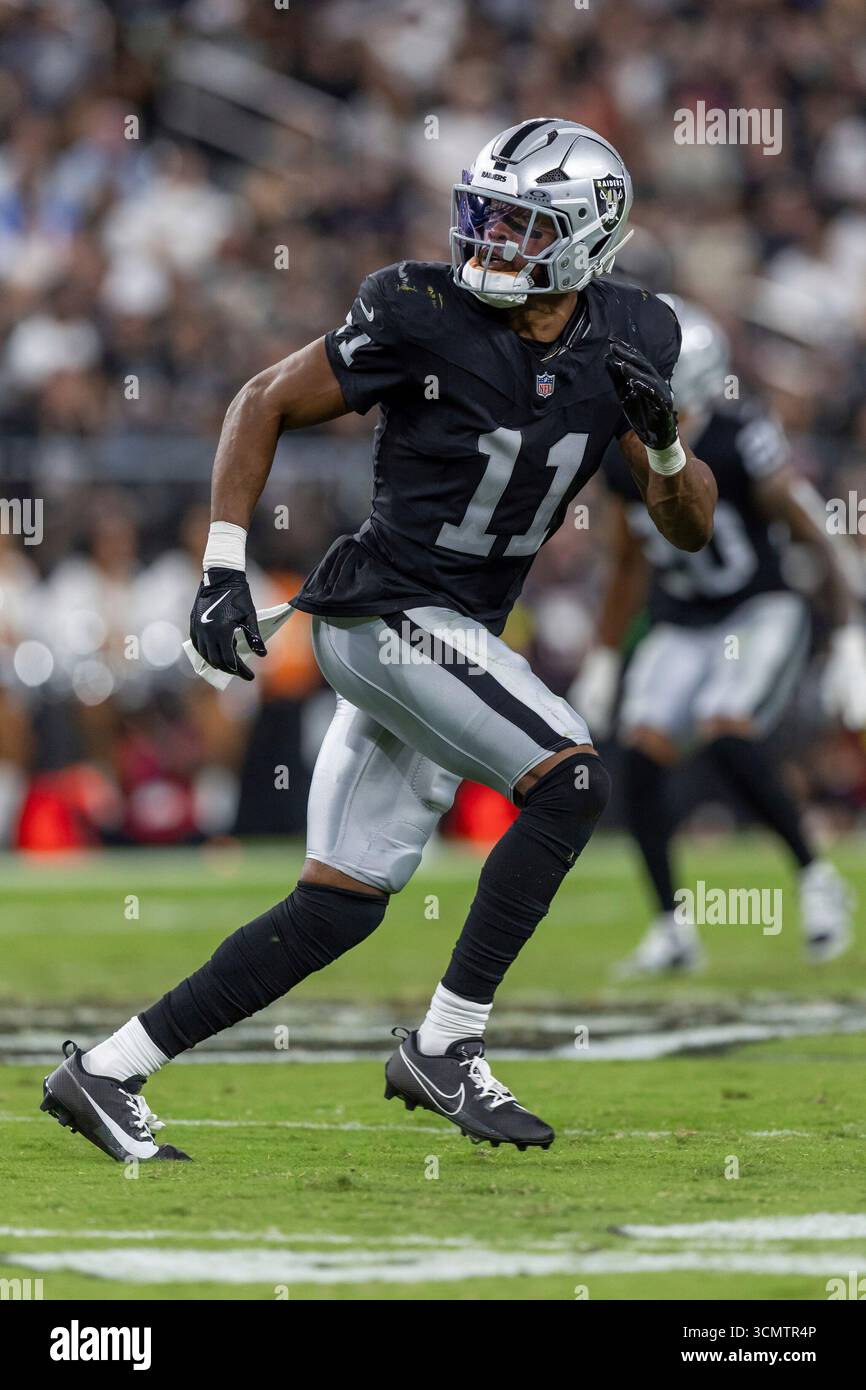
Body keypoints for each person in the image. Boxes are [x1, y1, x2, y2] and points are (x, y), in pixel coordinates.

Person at [42, 119, 716, 1161]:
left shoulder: (636, 333)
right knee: (571, 779)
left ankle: (109, 1068)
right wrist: (222, 563)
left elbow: (685, 523)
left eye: (518, 221)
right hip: (387, 610)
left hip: (447, 635)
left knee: (338, 905)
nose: (486, 236)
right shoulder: (416, 309)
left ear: (587, 238)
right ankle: (446, 1046)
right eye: (481, 212)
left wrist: (663, 438)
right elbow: (261, 400)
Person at [572, 295, 863, 976]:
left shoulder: (738, 435)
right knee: (640, 755)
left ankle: (817, 879)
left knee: (728, 728)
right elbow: (627, 560)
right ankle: (672, 928)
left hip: (759, 608)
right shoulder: (620, 451)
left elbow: (813, 535)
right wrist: (605, 658)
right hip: (684, 619)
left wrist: (851, 638)